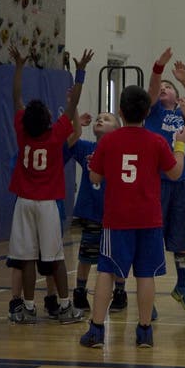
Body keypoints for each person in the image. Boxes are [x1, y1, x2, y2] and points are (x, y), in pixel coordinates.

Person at [79, 85, 185, 348]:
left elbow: (95, 177)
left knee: (106, 271)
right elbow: (175, 174)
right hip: (149, 218)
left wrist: (98, 165)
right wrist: (181, 146)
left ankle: (96, 330)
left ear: (120, 111)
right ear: (146, 112)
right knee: (145, 275)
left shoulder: (109, 141)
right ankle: (144, 331)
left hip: (117, 219)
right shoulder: (157, 141)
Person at [7, 43, 93, 324]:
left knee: (28, 258)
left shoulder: (22, 134)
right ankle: (66, 306)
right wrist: (79, 73)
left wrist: (19, 66)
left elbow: (16, 97)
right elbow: (71, 107)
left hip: (23, 201)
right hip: (46, 204)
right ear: (47, 121)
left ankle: (29, 308)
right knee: (55, 257)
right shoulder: (55, 136)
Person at [146, 47, 185, 314]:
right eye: (163, 88)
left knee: (181, 237)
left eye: (169, 88)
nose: (164, 90)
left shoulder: (183, 112)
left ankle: (183, 286)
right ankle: (149, 296)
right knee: (152, 237)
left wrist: (183, 80)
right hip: (156, 180)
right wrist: (159, 67)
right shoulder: (152, 111)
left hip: (181, 180)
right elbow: (153, 87)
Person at [67, 111, 129, 313]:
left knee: (118, 254)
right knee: (86, 254)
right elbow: (69, 142)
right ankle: (80, 291)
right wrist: (76, 120)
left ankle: (120, 292)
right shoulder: (87, 148)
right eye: (98, 117)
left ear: (118, 129)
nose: (100, 119)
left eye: (107, 118)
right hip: (92, 212)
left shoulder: (122, 150)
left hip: (116, 213)